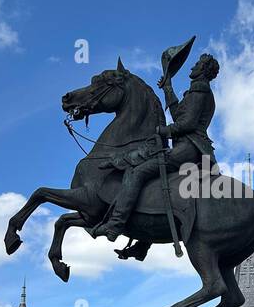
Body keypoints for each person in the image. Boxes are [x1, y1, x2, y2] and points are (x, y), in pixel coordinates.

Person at [90, 53, 220, 242]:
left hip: (190, 147)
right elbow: (179, 115)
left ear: (203, 70)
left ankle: (115, 224)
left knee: (138, 172)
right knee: (155, 181)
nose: (193, 67)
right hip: (189, 147)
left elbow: (188, 124)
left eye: (198, 65)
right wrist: (168, 88)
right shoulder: (196, 92)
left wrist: (163, 131)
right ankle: (143, 241)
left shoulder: (200, 90)